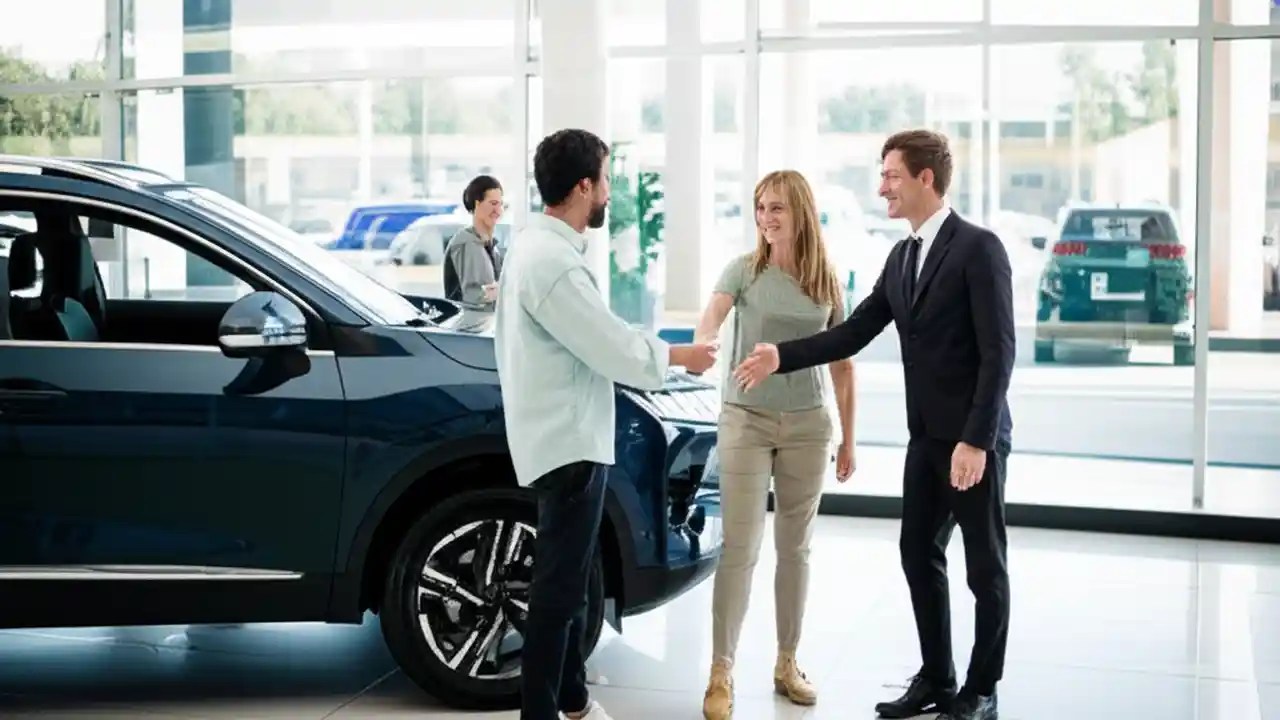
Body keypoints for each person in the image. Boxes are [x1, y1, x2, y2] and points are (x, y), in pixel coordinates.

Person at [733, 129, 1015, 720]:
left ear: (925, 179)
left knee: (984, 568)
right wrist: (782, 355)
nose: (881, 186)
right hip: (926, 439)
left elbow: (999, 353)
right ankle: (938, 679)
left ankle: (982, 689)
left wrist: (976, 440)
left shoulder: (978, 248)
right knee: (918, 554)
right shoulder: (903, 255)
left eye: (890, 176)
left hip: (970, 441)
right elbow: (853, 332)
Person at [494, 127, 718, 720]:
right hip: (567, 442)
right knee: (559, 588)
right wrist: (678, 356)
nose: (610, 195)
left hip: (557, 435)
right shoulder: (554, 264)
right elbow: (612, 348)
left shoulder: (532, 250)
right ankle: (541, 711)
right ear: (584, 185)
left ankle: (572, 699)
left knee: (572, 577)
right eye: (607, 181)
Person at [694, 170, 856, 720]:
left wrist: (849, 438)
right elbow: (712, 314)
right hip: (746, 419)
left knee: (797, 548)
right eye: (761, 207)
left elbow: (844, 363)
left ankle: (787, 662)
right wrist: (705, 340)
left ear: (801, 212)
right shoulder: (744, 270)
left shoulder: (826, 279)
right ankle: (721, 671)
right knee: (740, 547)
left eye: (778, 208)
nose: (767, 217)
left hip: (810, 425)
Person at [443, 174, 505, 309]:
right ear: (477, 204)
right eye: (493, 203)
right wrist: (506, 291)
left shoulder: (491, 247)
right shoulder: (466, 243)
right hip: (470, 326)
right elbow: (474, 297)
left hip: (486, 326)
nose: (498, 210)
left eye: (501, 204)